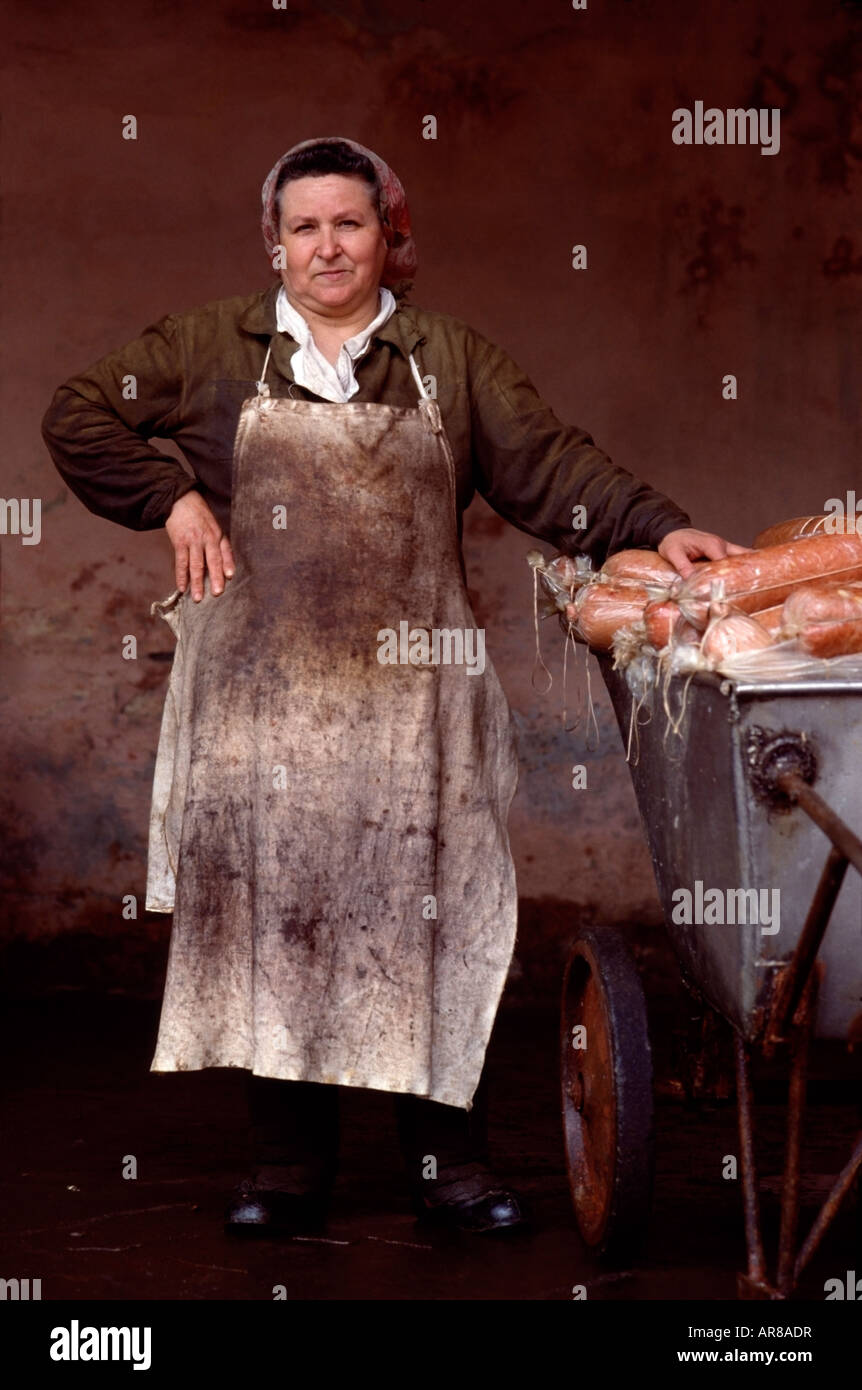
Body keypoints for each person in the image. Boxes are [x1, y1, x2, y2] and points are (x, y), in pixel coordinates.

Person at [42, 136, 746, 1239]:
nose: (327, 246)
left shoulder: (447, 359)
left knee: (437, 920)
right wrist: (171, 498)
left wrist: (657, 527)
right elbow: (77, 414)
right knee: (277, 921)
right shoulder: (208, 348)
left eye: (349, 223)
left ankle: (449, 1168)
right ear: (274, 243)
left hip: (414, 703)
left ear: (387, 235)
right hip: (263, 701)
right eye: (305, 227)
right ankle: (287, 1170)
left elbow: (553, 467)